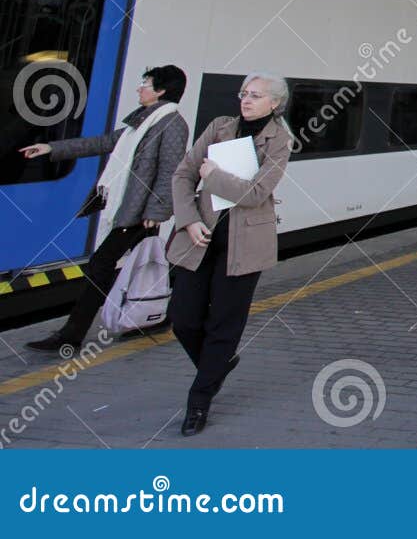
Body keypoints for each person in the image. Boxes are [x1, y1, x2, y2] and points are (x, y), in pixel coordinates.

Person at [21, 65, 190, 355]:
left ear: (161, 91)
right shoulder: (143, 121)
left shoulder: (172, 123)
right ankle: (153, 317)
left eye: (145, 83)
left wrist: (157, 212)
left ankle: (71, 335)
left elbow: (169, 171)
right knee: (136, 266)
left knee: (101, 265)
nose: (140, 88)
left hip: (139, 213)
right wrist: (51, 149)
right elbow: (103, 143)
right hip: (132, 208)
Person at [166, 72, 293, 436]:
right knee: (184, 318)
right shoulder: (219, 127)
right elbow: (183, 175)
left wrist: (214, 174)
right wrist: (188, 220)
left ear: (274, 104)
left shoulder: (280, 141)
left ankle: (199, 401)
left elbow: (255, 194)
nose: (247, 100)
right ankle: (219, 365)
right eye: (244, 93)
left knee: (224, 323)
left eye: (256, 95)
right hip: (200, 237)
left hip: (245, 246)